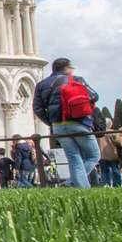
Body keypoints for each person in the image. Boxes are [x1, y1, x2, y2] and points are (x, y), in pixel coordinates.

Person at [32, 57, 100, 188]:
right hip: (79, 123)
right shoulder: (77, 80)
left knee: (74, 158)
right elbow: (95, 95)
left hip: (58, 126)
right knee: (93, 156)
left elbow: (37, 108)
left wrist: (51, 122)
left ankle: (82, 188)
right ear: (67, 68)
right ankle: (71, 182)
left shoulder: (42, 85)